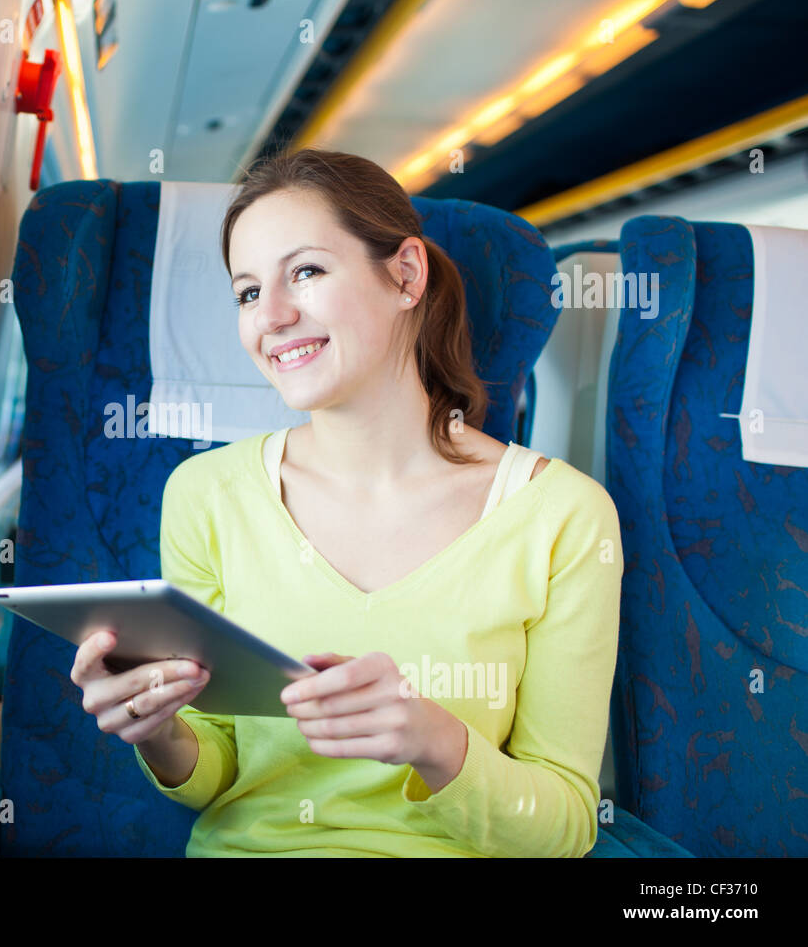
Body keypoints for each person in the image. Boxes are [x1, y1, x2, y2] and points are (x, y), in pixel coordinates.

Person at [69, 148, 623, 857]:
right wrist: (159, 729)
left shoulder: (564, 517)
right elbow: (219, 773)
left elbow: (567, 829)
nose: (270, 316)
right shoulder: (207, 496)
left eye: (305, 272)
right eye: (246, 292)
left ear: (405, 275)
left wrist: (435, 742)